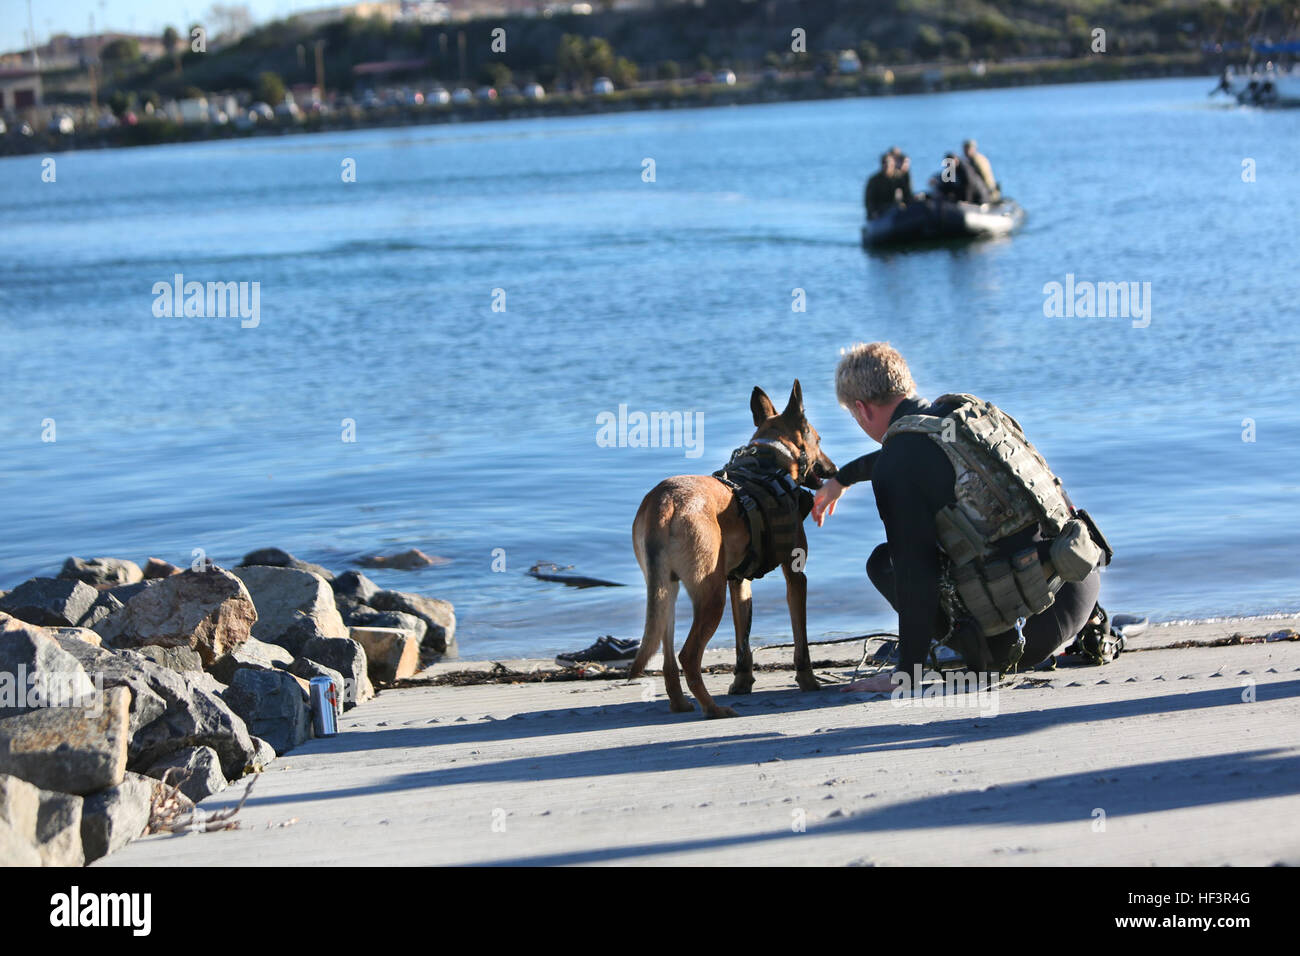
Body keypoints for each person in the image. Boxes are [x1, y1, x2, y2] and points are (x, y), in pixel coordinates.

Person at [812, 343, 1106, 693]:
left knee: (884, 563)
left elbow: (914, 575)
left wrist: (906, 673)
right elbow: (913, 458)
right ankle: (1088, 624)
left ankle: (964, 647)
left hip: (1029, 637)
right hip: (1082, 586)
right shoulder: (966, 416)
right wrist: (842, 478)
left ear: (861, 410)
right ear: (906, 385)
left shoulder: (899, 463)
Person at [864, 152, 902, 219]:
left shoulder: (899, 178)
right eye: (884, 163)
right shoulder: (874, 180)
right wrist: (872, 211)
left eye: (889, 163)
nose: (887, 165)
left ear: (893, 164)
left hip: (895, 209)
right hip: (880, 210)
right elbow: (869, 200)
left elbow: (907, 194)